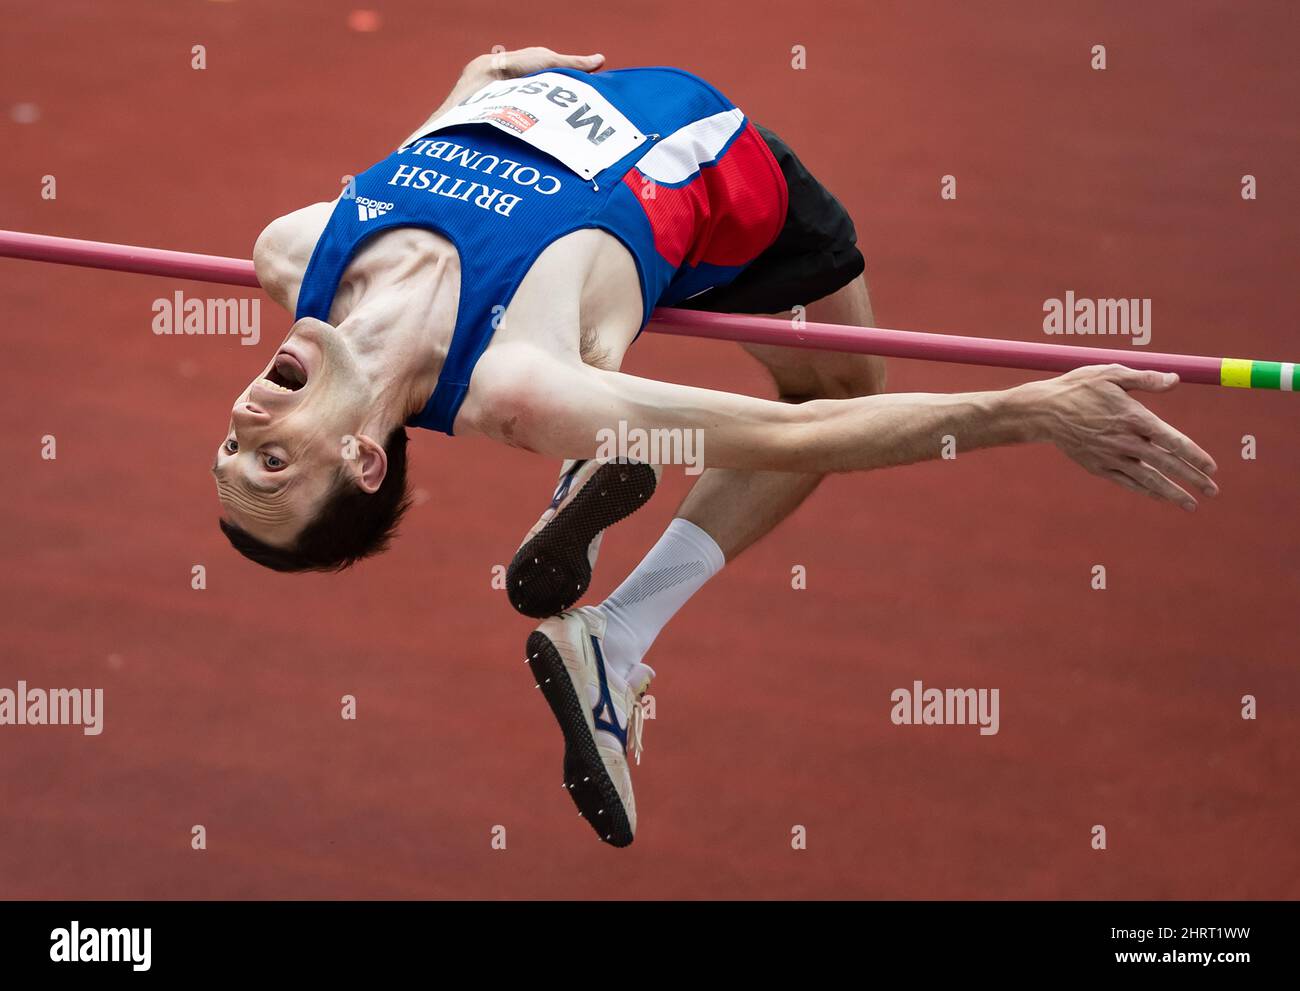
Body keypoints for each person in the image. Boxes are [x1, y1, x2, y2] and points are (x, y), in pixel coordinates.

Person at [213, 47, 1218, 846]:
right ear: (363, 458)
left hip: (564, 119)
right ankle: (613, 618)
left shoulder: (293, 252)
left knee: (588, 373)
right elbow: (799, 432)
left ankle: (599, 477)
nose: (244, 425)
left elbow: (403, 183)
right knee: (831, 379)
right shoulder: (515, 383)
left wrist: (458, 101)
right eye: (272, 461)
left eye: (229, 449)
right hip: (730, 192)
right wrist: (1027, 410)